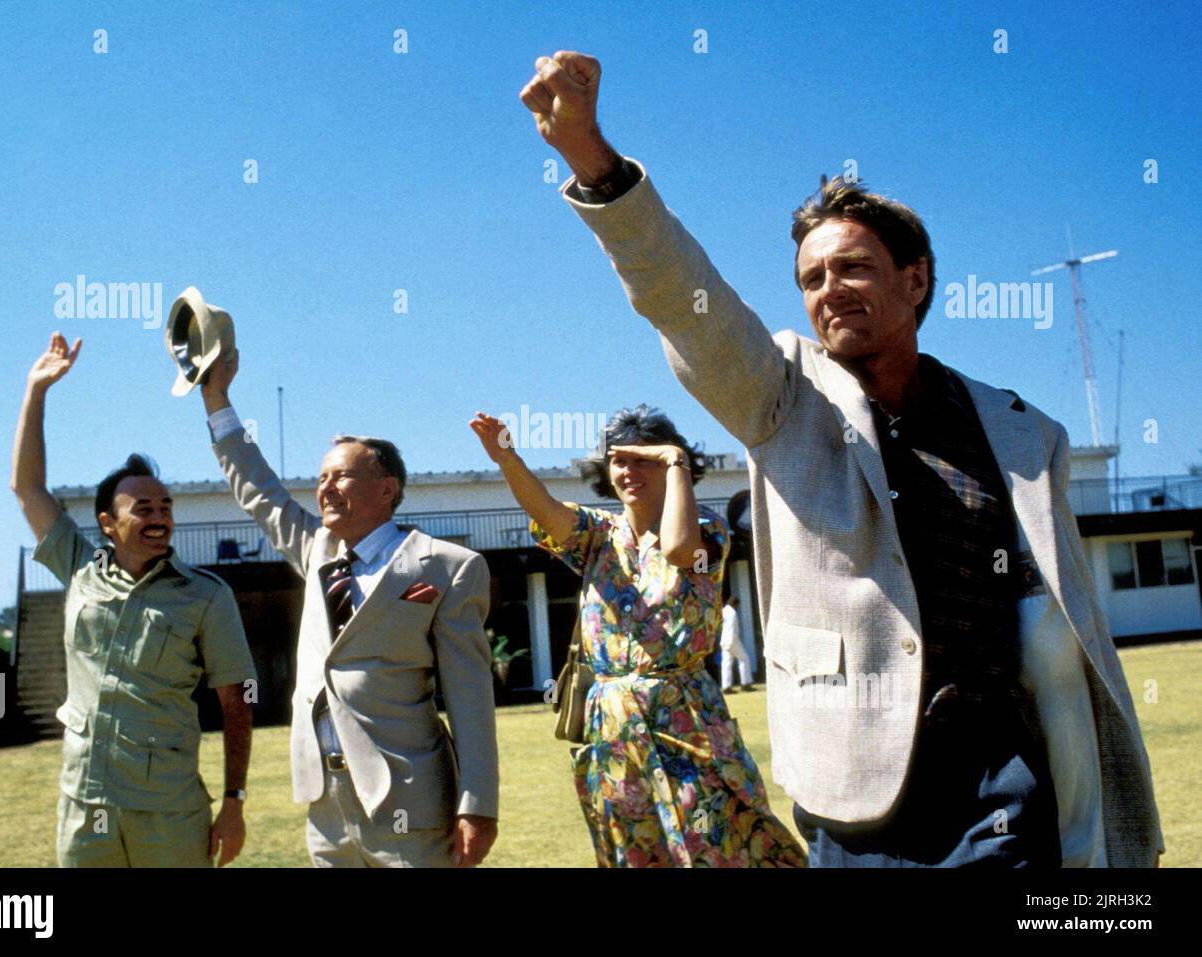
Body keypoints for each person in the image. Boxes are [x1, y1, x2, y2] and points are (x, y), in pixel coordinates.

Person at [518, 51, 1163, 867]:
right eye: (812, 277)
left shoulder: (1024, 432)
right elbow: (686, 303)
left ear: (916, 279)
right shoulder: (781, 397)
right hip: (859, 784)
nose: (830, 290)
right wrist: (593, 161)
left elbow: (1063, 616)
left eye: (854, 267)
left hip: (1008, 775)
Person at [201, 350, 499, 867]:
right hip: (325, 802)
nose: (324, 488)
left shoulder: (448, 567)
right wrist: (216, 399)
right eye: (321, 478)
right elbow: (257, 487)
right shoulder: (316, 550)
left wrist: (477, 806)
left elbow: (470, 699)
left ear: (387, 489)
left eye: (340, 476)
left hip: (409, 801)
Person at [471, 406, 803, 868]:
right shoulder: (597, 536)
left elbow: (679, 549)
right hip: (611, 723)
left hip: (686, 714)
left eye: (645, 459)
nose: (630, 471)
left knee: (714, 840)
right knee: (631, 849)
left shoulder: (708, 529)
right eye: (619, 461)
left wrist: (677, 462)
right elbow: (546, 512)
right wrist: (508, 459)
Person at [11, 332, 257, 867]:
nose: (159, 516)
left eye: (165, 506)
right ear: (108, 524)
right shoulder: (77, 568)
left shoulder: (204, 596)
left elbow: (236, 704)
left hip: (169, 813)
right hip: (84, 806)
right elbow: (27, 488)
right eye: (142, 508)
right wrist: (37, 392)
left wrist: (234, 802)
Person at [720, 597, 755, 693]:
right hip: (732, 640)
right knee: (744, 659)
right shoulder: (733, 613)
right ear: (735, 604)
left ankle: (726, 687)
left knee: (726, 664)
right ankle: (746, 683)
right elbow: (731, 628)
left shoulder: (724, 610)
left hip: (724, 640)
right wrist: (731, 642)